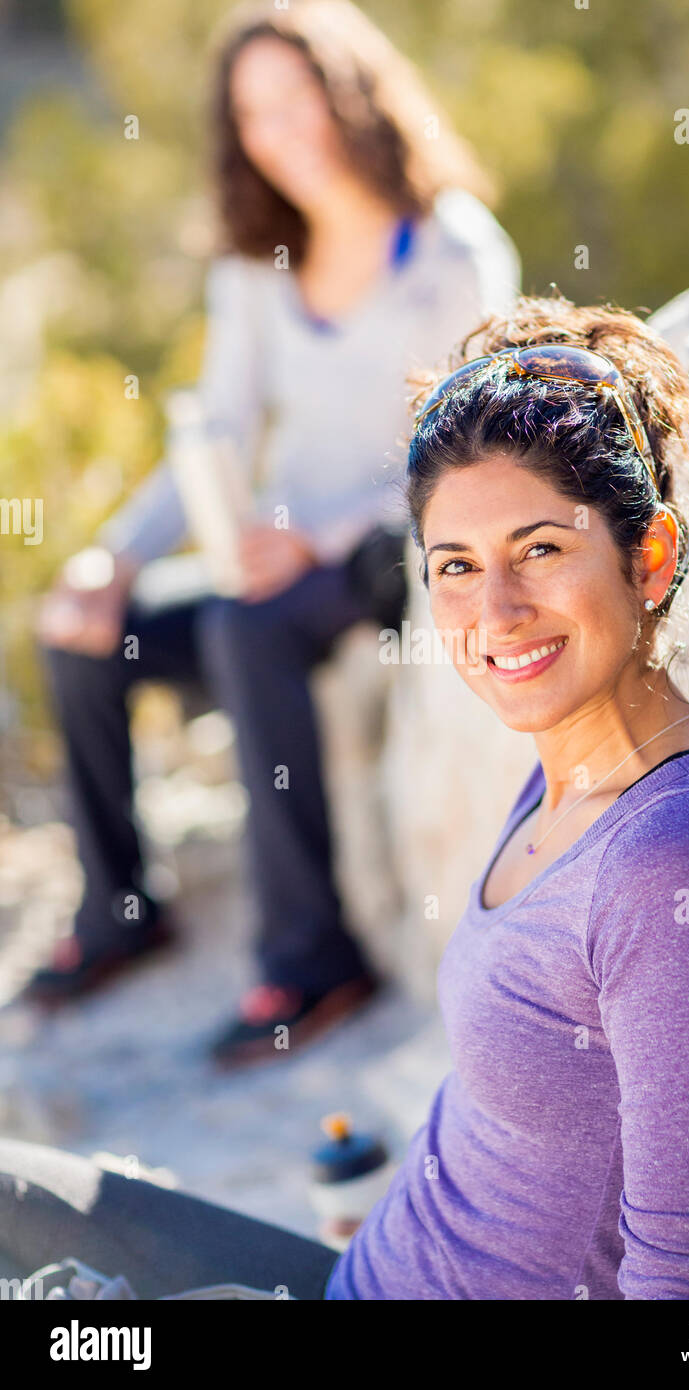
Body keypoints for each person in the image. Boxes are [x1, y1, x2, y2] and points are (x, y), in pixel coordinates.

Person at [1, 292, 689, 1299]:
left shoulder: (669, 863)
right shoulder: (562, 771)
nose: (495, 612)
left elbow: (682, 1281)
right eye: (455, 566)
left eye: (540, 549)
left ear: (648, 557)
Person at [25, 0, 520, 1067]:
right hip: (275, 562)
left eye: (296, 99)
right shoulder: (256, 265)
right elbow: (215, 427)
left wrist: (317, 535)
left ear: (352, 93)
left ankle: (311, 956)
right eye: (254, 113)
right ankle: (120, 909)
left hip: (399, 545)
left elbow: (471, 449)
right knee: (79, 639)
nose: (280, 129)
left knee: (249, 626)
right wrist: (112, 558)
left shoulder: (449, 248)